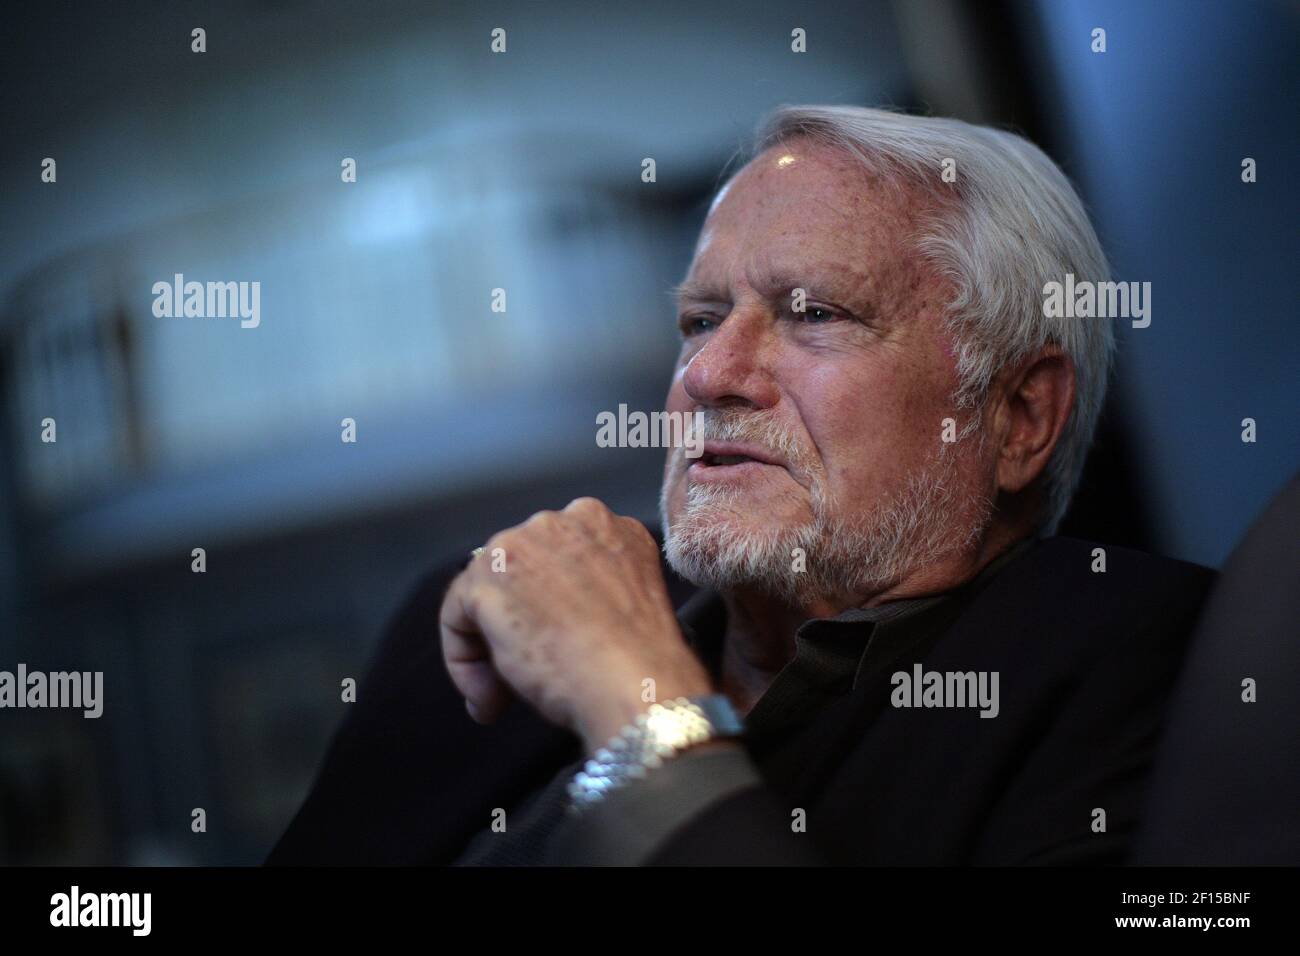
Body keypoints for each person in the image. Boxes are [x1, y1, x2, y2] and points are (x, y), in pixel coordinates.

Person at [266, 105, 1213, 866]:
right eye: (698, 319)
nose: (710, 373)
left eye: (814, 315)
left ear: (1017, 418)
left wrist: (636, 707)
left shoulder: (1166, 666)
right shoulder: (484, 617)